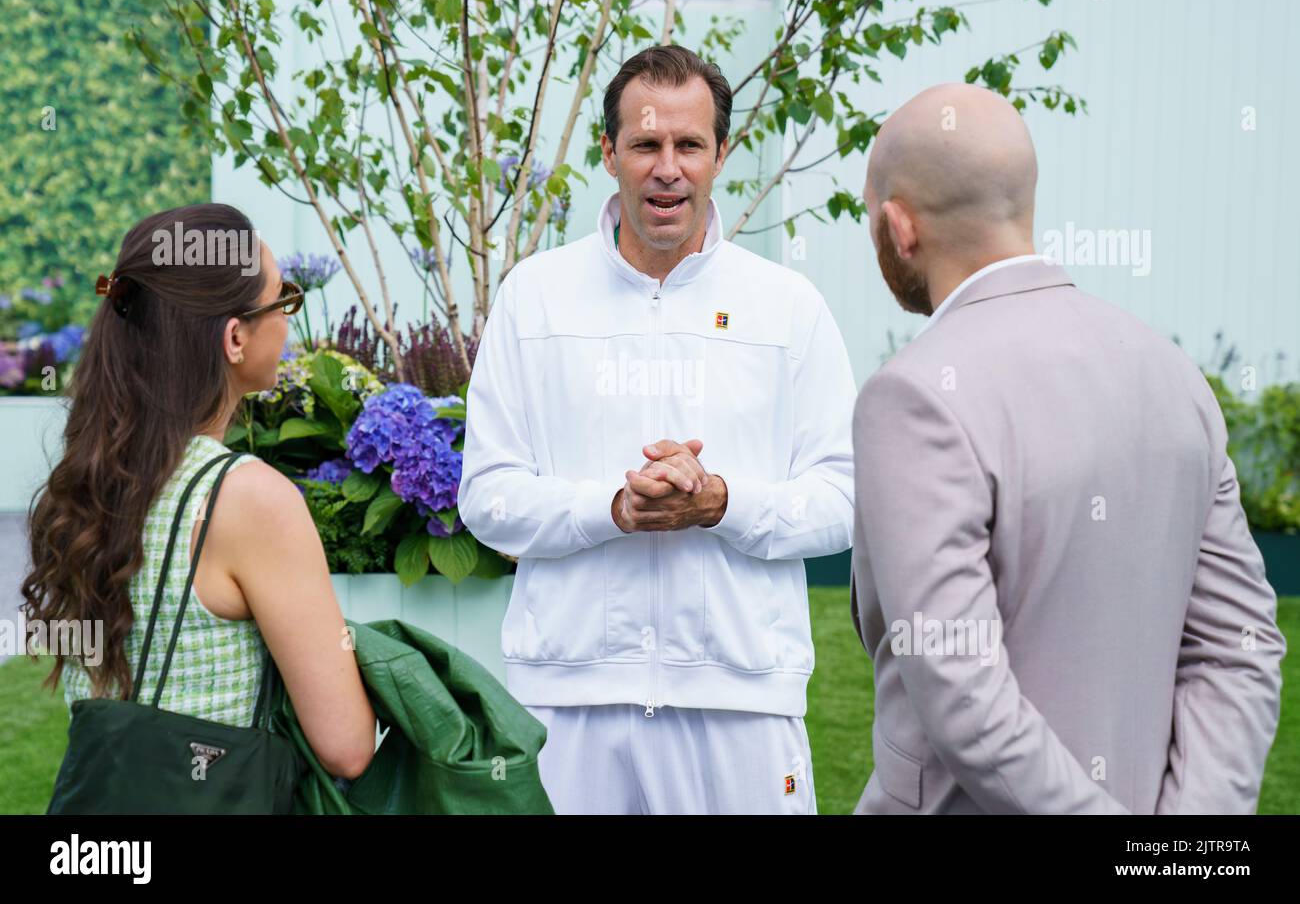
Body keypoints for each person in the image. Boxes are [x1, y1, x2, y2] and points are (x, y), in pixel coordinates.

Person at [849, 82, 1286, 814]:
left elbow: (963, 696)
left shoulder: (913, 396)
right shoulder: (1174, 374)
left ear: (899, 227)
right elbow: (1239, 646)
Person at [458, 45, 857, 814]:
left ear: (722, 154)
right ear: (609, 152)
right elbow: (487, 496)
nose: (667, 167)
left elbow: (845, 495)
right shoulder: (535, 298)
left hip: (743, 704)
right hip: (566, 705)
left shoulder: (788, 306)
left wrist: (721, 504)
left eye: (688, 145)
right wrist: (611, 509)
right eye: (645, 144)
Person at [22, 203, 376, 788]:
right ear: (235, 337)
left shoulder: (88, 480)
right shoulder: (246, 499)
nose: (290, 317)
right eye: (282, 298)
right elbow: (346, 746)